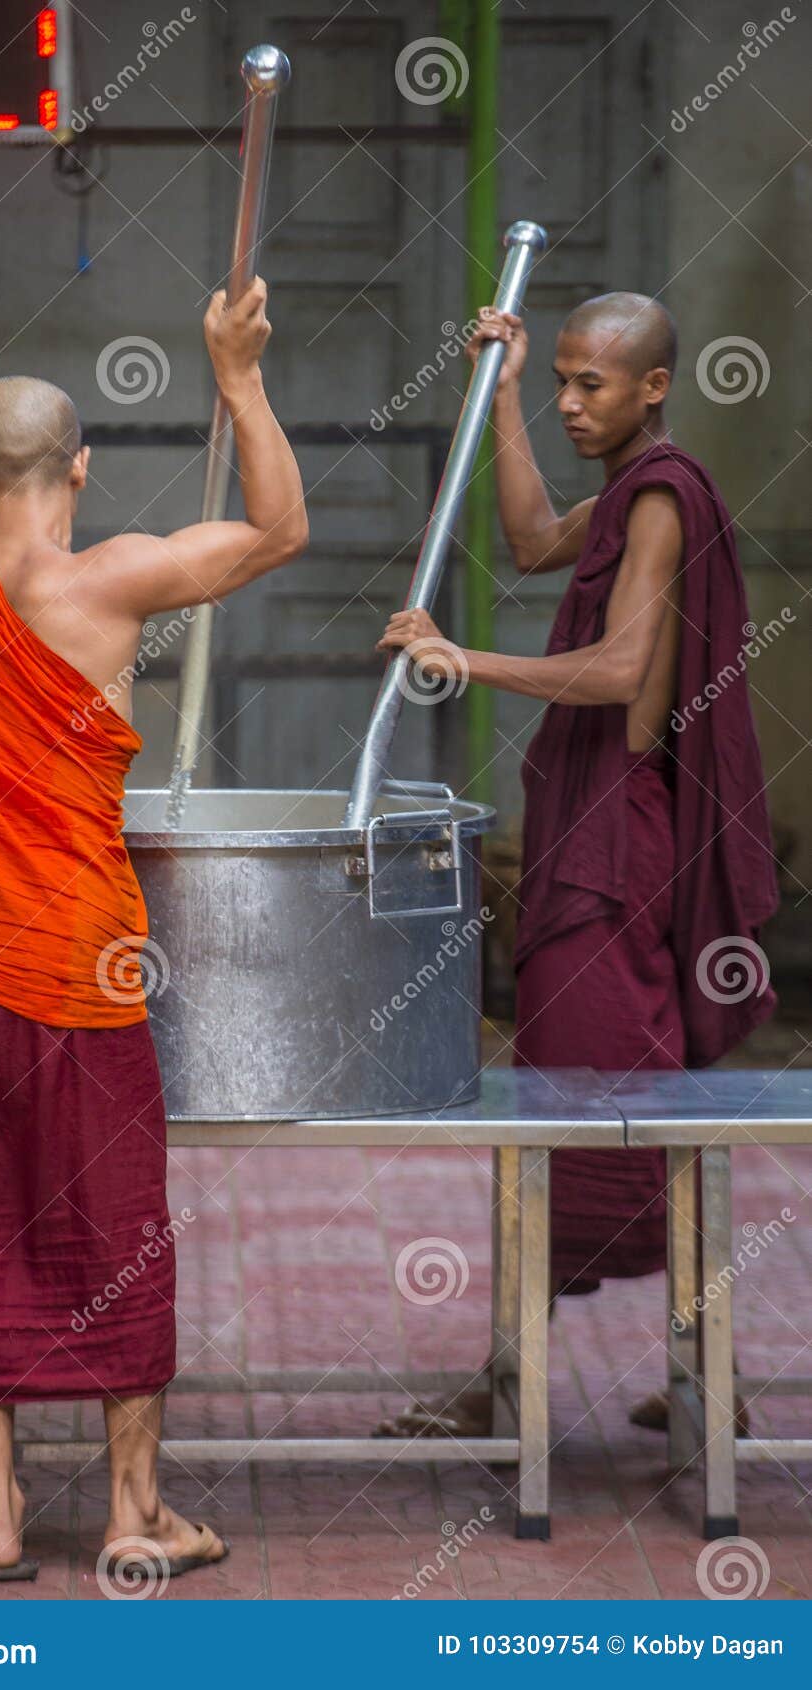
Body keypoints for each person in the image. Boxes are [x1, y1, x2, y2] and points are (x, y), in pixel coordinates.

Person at [0, 278, 308, 1580]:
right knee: (112, 1227)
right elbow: (277, 532)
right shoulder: (118, 579)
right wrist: (241, 379)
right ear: (80, 468)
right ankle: (129, 1513)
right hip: (83, 967)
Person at [374, 292, 777, 1439]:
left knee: (609, 1120)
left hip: (617, 847)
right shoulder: (626, 498)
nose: (568, 401)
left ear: (653, 385)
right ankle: (567, 1383)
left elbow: (616, 671)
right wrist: (497, 396)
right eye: (557, 379)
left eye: (588, 382)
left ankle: (604, 1385)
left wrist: (461, 658)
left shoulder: (663, 499)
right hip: (586, 831)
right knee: (583, 1115)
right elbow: (535, 539)